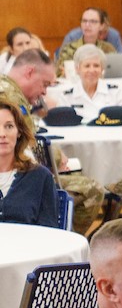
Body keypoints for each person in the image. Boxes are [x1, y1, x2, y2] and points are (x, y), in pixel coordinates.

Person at [1, 50, 103, 234]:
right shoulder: (9, 98)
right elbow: (26, 148)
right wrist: (54, 155)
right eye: (45, 84)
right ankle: (69, 240)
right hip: (18, 174)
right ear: (30, 72)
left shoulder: (12, 92)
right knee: (92, 190)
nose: (44, 92)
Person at [0, 97, 56, 228]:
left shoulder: (40, 177)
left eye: (9, 126)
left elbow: (51, 233)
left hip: (29, 248)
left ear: (19, 132)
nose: (2, 134)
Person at [56, 46, 122, 121]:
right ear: (77, 69)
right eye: (87, 66)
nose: (92, 70)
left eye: (96, 66)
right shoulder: (66, 97)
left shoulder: (115, 93)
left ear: (102, 69)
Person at [57, 8, 118, 76]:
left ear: (101, 25)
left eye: (93, 21)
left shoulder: (108, 48)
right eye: (84, 21)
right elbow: (59, 74)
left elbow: (114, 73)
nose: (87, 25)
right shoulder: (69, 48)